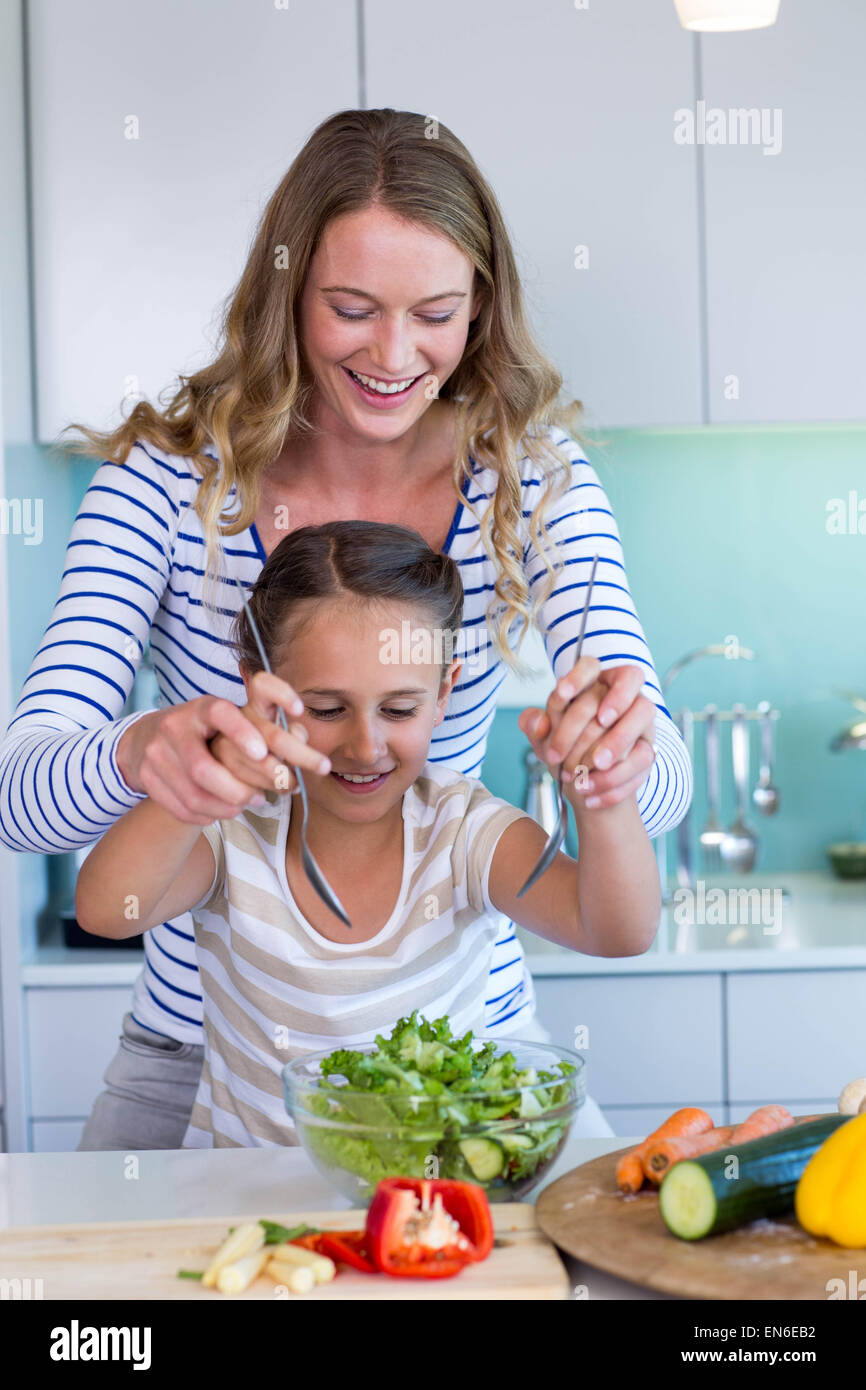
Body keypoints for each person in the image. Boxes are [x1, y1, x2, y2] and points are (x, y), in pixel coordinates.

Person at [0, 108, 691, 1150]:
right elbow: (22, 800)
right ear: (285, 296)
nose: (393, 353)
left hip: (460, 1063)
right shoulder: (160, 487)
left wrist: (615, 759)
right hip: (204, 1071)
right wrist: (143, 755)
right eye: (351, 307)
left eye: (434, 313)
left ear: (480, 310)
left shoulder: (532, 482)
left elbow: (657, 773)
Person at [74, 520, 662, 1147]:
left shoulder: (463, 831)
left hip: (428, 1211)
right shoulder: (234, 830)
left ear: (444, 692)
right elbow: (107, 911)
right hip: (254, 1211)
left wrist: (601, 795)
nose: (366, 745)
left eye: (399, 709)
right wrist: (195, 792)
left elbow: (618, 932)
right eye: (326, 710)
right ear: (258, 686)